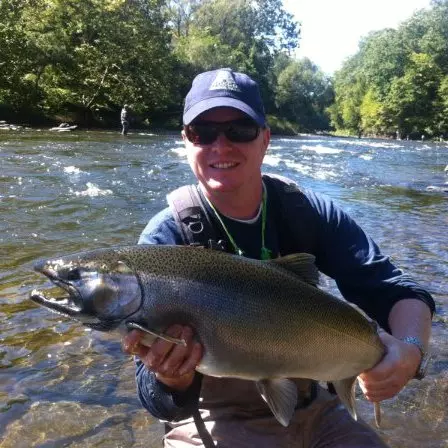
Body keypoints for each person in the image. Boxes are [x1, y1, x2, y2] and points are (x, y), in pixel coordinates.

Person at [122, 68, 434, 447]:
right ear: (186, 142)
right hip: (215, 418)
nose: (222, 145)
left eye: (240, 130)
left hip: (313, 407)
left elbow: (396, 291)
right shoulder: (162, 242)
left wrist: (409, 351)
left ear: (265, 140)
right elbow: (158, 402)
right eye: (203, 132)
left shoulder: (305, 212)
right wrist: (172, 377)